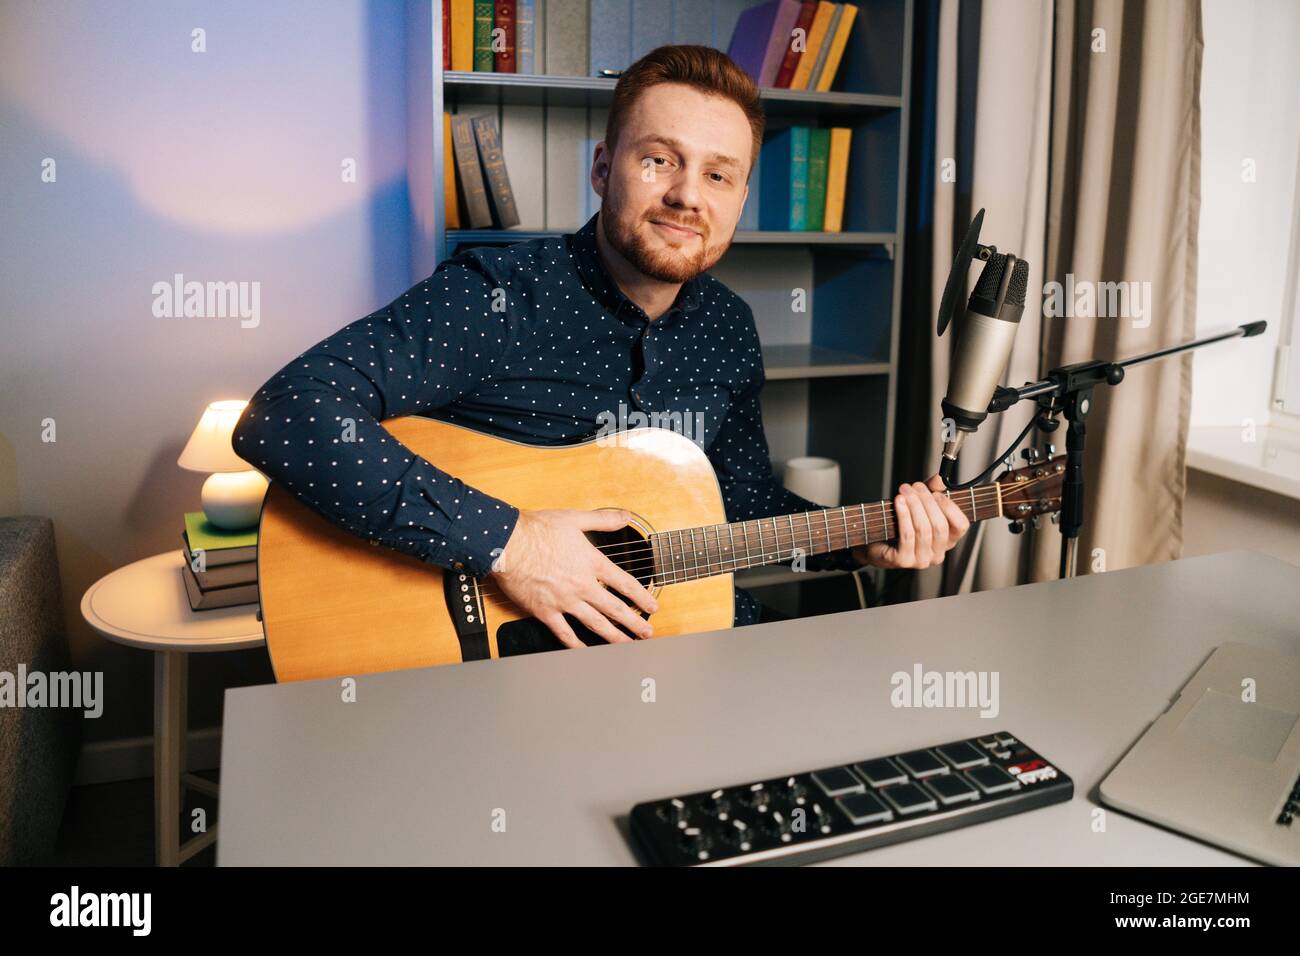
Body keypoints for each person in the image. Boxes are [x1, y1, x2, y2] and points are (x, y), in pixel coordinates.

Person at [232, 45, 970, 650]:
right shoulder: (502, 293)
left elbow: (735, 505)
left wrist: (864, 541)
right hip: (488, 668)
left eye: (719, 175)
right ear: (602, 168)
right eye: (659, 160)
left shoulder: (728, 329)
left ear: (739, 201)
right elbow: (287, 413)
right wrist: (512, 546)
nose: (688, 195)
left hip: (671, 644)